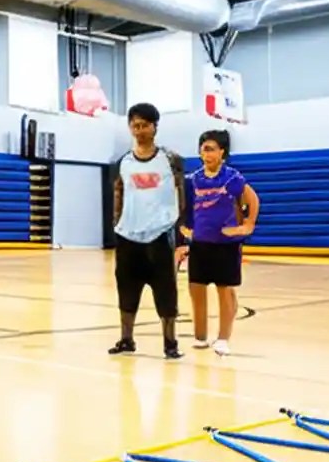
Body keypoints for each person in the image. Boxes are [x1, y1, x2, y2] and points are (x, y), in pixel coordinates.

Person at [109, 102, 186, 360]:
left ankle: (170, 343)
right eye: (135, 125)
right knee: (127, 288)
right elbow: (118, 193)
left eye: (144, 125)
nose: (139, 130)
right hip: (128, 237)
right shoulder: (123, 162)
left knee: (166, 290)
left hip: (160, 235)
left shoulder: (170, 159)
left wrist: (179, 225)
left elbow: (181, 193)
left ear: (155, 127)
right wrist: (117, 224)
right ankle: (126, 339)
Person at [176, 129, 259, 356]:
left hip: (226, 244)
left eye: (212, 149)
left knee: (225, 291)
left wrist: (247, 225)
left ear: (222, 152)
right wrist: (184, 233)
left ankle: (223, 338)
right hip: (201, 243)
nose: (207, 153)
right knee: (196, 289)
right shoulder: (193, 181)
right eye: (204, 149)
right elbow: (184, 209)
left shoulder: (232, 178)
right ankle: (200, 336)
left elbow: (252, 199)